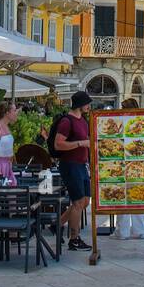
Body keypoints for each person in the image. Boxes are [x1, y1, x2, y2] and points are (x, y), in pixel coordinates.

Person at [53, 91, 93, 251]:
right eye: (87, 103)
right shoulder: (66, 122)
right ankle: (74, 239)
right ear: (80, 104)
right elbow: (58, 144)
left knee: (84, 201)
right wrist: (80, 143)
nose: (89, 106)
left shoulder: (83, 120)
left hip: (81, 165)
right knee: (77, 202)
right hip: (70, 165)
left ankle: (56, 225)